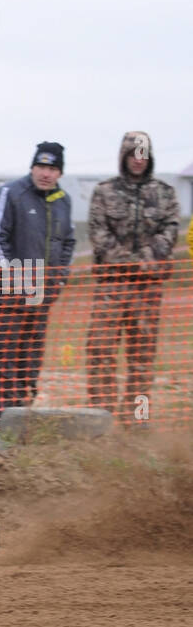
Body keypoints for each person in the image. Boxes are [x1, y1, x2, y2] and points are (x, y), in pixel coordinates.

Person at [85, 131, 180, 423]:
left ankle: (138, 420)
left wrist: (147, 262)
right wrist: (133, 263)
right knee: (100, 351)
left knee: (141, 360)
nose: (138, 160)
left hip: (147, 290)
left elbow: (170, 231)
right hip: (111, 288)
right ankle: (102, 419)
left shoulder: (165, 193)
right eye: (132, 154)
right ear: (123, 156)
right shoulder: (104, 191)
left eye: (143, 154)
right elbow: (99, 235)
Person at [0, 142, 75, 433]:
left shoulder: (63, 201)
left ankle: (21, 425)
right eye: (41, 166)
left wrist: (57, 280)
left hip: (40, 299)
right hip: (7, 299)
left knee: (29, 363)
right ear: (32, 167)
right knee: (0, 363)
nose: (46, 173)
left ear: (59, 172)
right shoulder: (10, 193)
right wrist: (15, 281)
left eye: (52, 168)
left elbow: (68, 242)